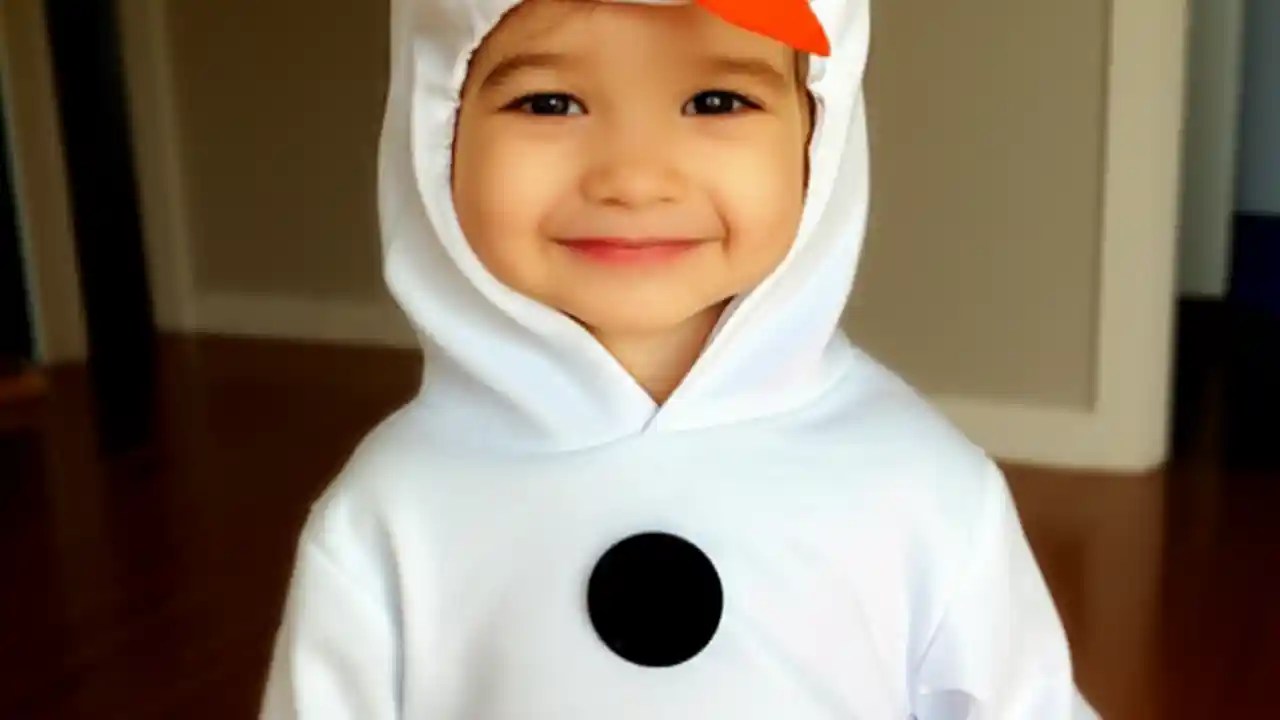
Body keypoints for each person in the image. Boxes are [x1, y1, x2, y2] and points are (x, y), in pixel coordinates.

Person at [261, 0, 1099, 717]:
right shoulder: (391, 512)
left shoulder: (924, 489)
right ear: (437, 124)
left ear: (820, 130)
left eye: (716, 100)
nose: (634, 177)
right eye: (549, 103)